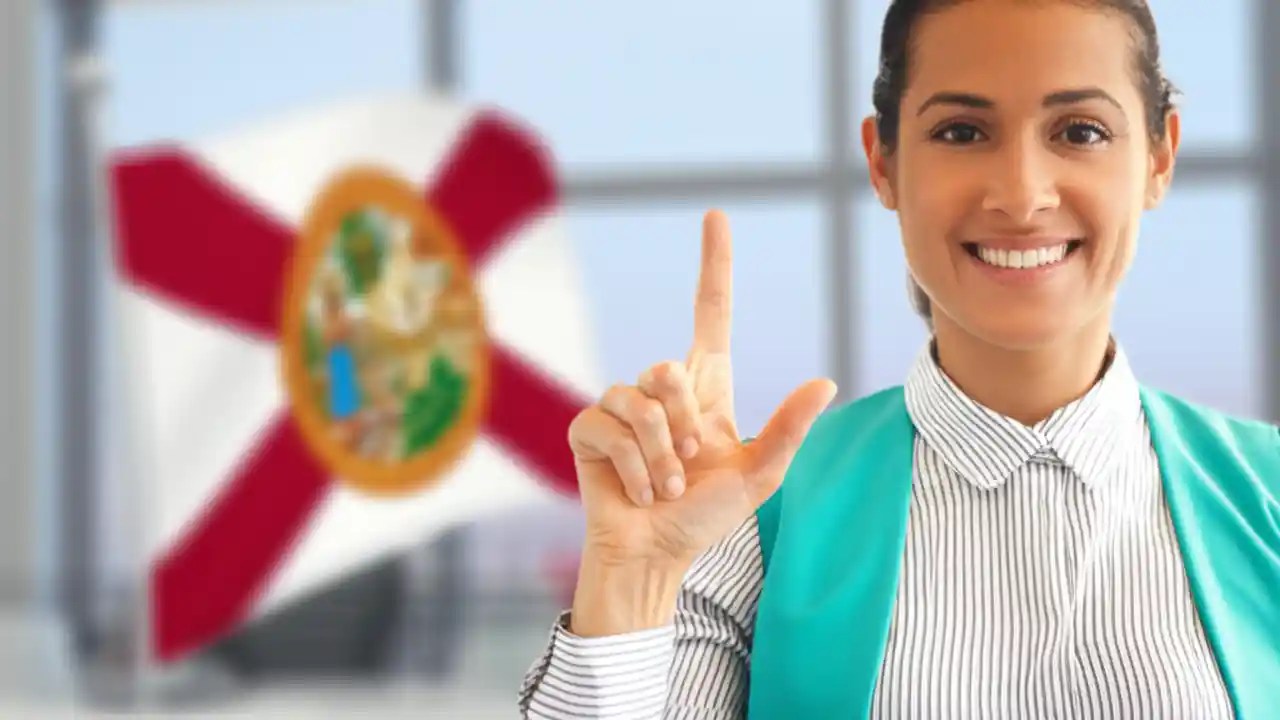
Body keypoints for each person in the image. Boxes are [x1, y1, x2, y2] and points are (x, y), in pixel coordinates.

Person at [518, 0, 1280, 717]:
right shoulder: (754, 524)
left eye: (1079, 132)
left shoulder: (1267, 499)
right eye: (961, 132)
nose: (1021, 195)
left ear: (1158, 157)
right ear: (883, 162)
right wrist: (632, 581)